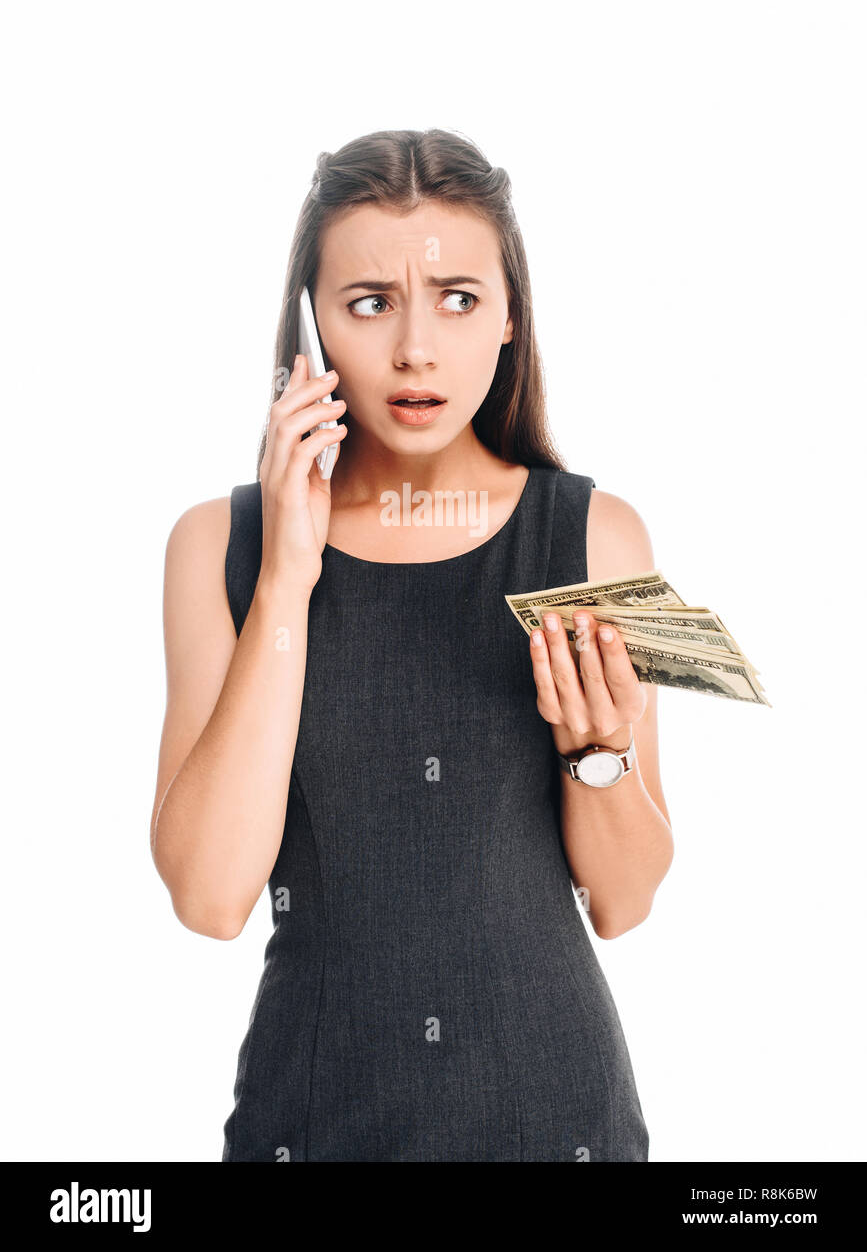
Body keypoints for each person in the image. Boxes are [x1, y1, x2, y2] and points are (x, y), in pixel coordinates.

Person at [150, 128, 674, 1162]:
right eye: (371, 302)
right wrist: (289, 583)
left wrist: (598, 750)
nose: (417, 350)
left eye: (459, 298)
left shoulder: (596, 537)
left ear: (512, 315)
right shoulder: (220, 545)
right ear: (310, 325)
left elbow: (626, 901)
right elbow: (210, 897)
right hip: (314, 1125)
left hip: (556, 1121)